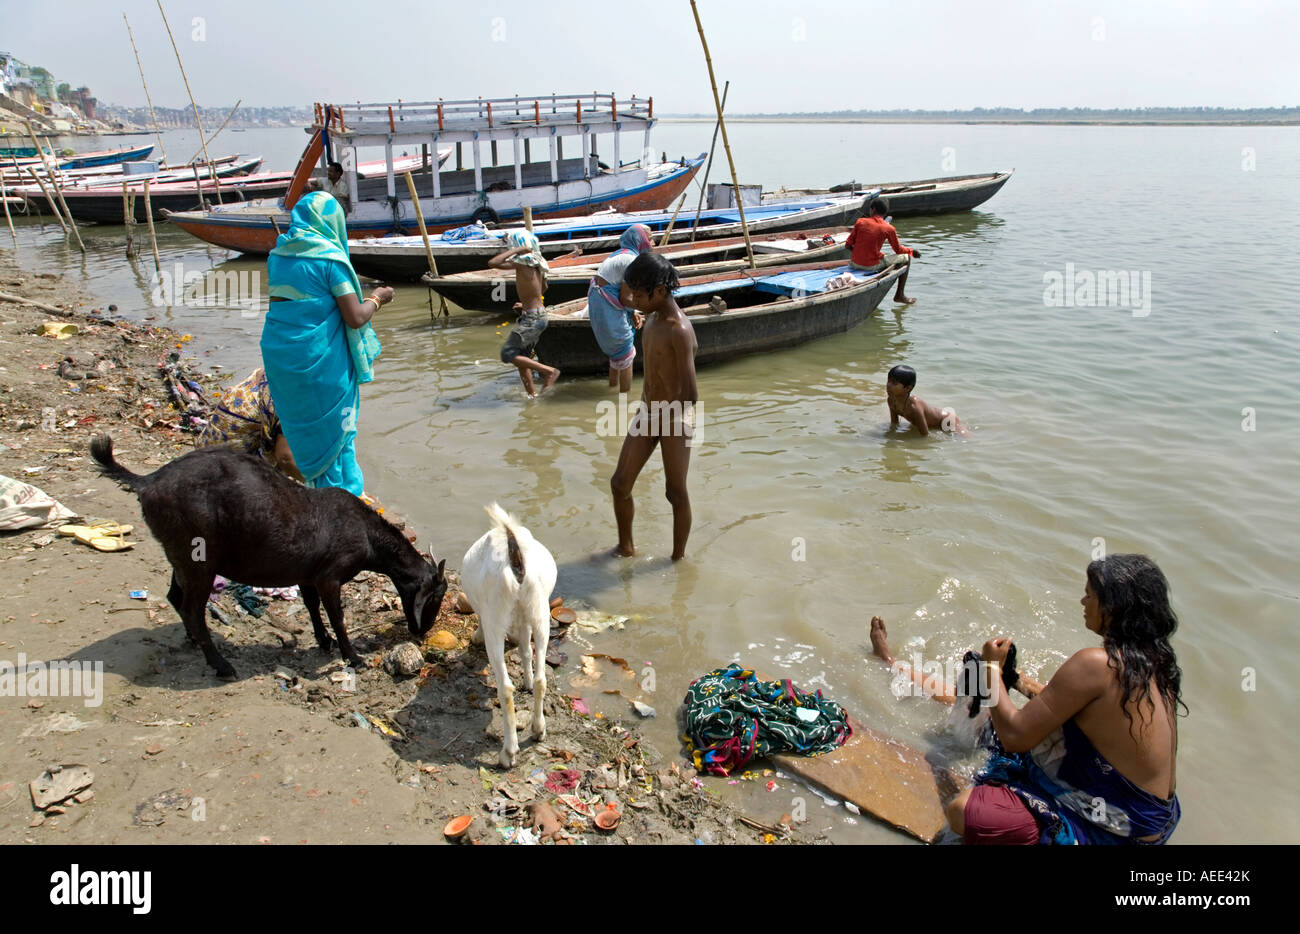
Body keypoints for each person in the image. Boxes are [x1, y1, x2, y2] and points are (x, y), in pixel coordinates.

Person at [868, 553, 1183, 845]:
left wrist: (991, 667)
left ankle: (891, 664)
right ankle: (892, 664)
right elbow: (1066, 706)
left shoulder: (1096, 664)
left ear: (1112, 608)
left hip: (1108, 831)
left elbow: (1015, 736)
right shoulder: (1153, 665)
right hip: (1147, 828)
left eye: (1090, 595)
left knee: (962, 811)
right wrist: (1014, 678)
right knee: (974, 703)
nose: (1083, 601)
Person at [260, 190, 392, 496]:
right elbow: (356, 317)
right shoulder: (329, 260)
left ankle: (325, 495)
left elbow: (299, 306)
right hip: (319, 360)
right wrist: (378, 298)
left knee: (306, 428)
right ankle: (342, 505)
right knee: (339, 434)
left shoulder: (278, 256)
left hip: (283, 357)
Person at [609, 252, 698, 561]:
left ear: (659, 291)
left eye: (637, 293)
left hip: (675, 419)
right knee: (620, 483)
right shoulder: (651, 318)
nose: (631, 299)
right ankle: (625, 547)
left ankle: (677, 560)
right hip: (647, 414)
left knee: (675, 492)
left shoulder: (679, 331)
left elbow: (691, 394)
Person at [197, 367, 302, 481]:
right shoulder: (291, 398)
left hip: (204, 451)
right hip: (220, 472)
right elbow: (285, 458)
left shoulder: (276, 369)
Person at [490, 230, 560, 397]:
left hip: (532, 318)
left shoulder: (521, 263)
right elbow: (543, 289)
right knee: (522, 359)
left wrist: (516, 250)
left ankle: (549, 371)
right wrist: (527, 303)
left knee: (508, 354)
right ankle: (532, 396)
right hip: (538, 314)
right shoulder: (537, 264)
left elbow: (493, 262)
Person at [587, 224, 653, 392]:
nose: (652, 243)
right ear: (640, 240)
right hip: (606, 305)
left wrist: (632, 312)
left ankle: (612, 389)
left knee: (617, 353)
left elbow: (623, 294)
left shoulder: (622, 254)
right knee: (626, 351)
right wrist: (647, 309)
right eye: (650, 239)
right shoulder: (631, 260)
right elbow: (625, 297)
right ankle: (624, 398)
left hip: (600, 302)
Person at [846, 197, 920, 304]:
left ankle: (899, 295)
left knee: (885, 256)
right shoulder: (889, 228)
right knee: (906, 257)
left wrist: (860, 255)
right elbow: (898, 250)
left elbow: (848, 245)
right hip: (871, 266)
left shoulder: (860, 221)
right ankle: (900, 295)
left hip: (854, 264)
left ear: (873, 209)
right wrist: (912, 252)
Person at [885, 364, 967, 435]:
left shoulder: (914, 407)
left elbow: (925, 434)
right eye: (888, 381)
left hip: (946, 420)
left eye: (894, 383)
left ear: (907, 388)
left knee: (965, 440)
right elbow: (894, 424)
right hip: (933, 424)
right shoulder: (891, 401)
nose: (889, 385)